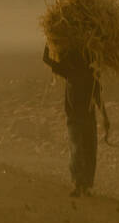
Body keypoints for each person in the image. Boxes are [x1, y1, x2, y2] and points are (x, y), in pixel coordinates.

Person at [43, 42, 102, 197]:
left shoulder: (72, 73)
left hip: (80, 119)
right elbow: (99, 99)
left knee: (80, 151)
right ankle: (82, 185)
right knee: (84, 151)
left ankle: (82, 185)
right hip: (81, 120)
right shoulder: (82, 74)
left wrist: (49, 42)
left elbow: (46, 59)